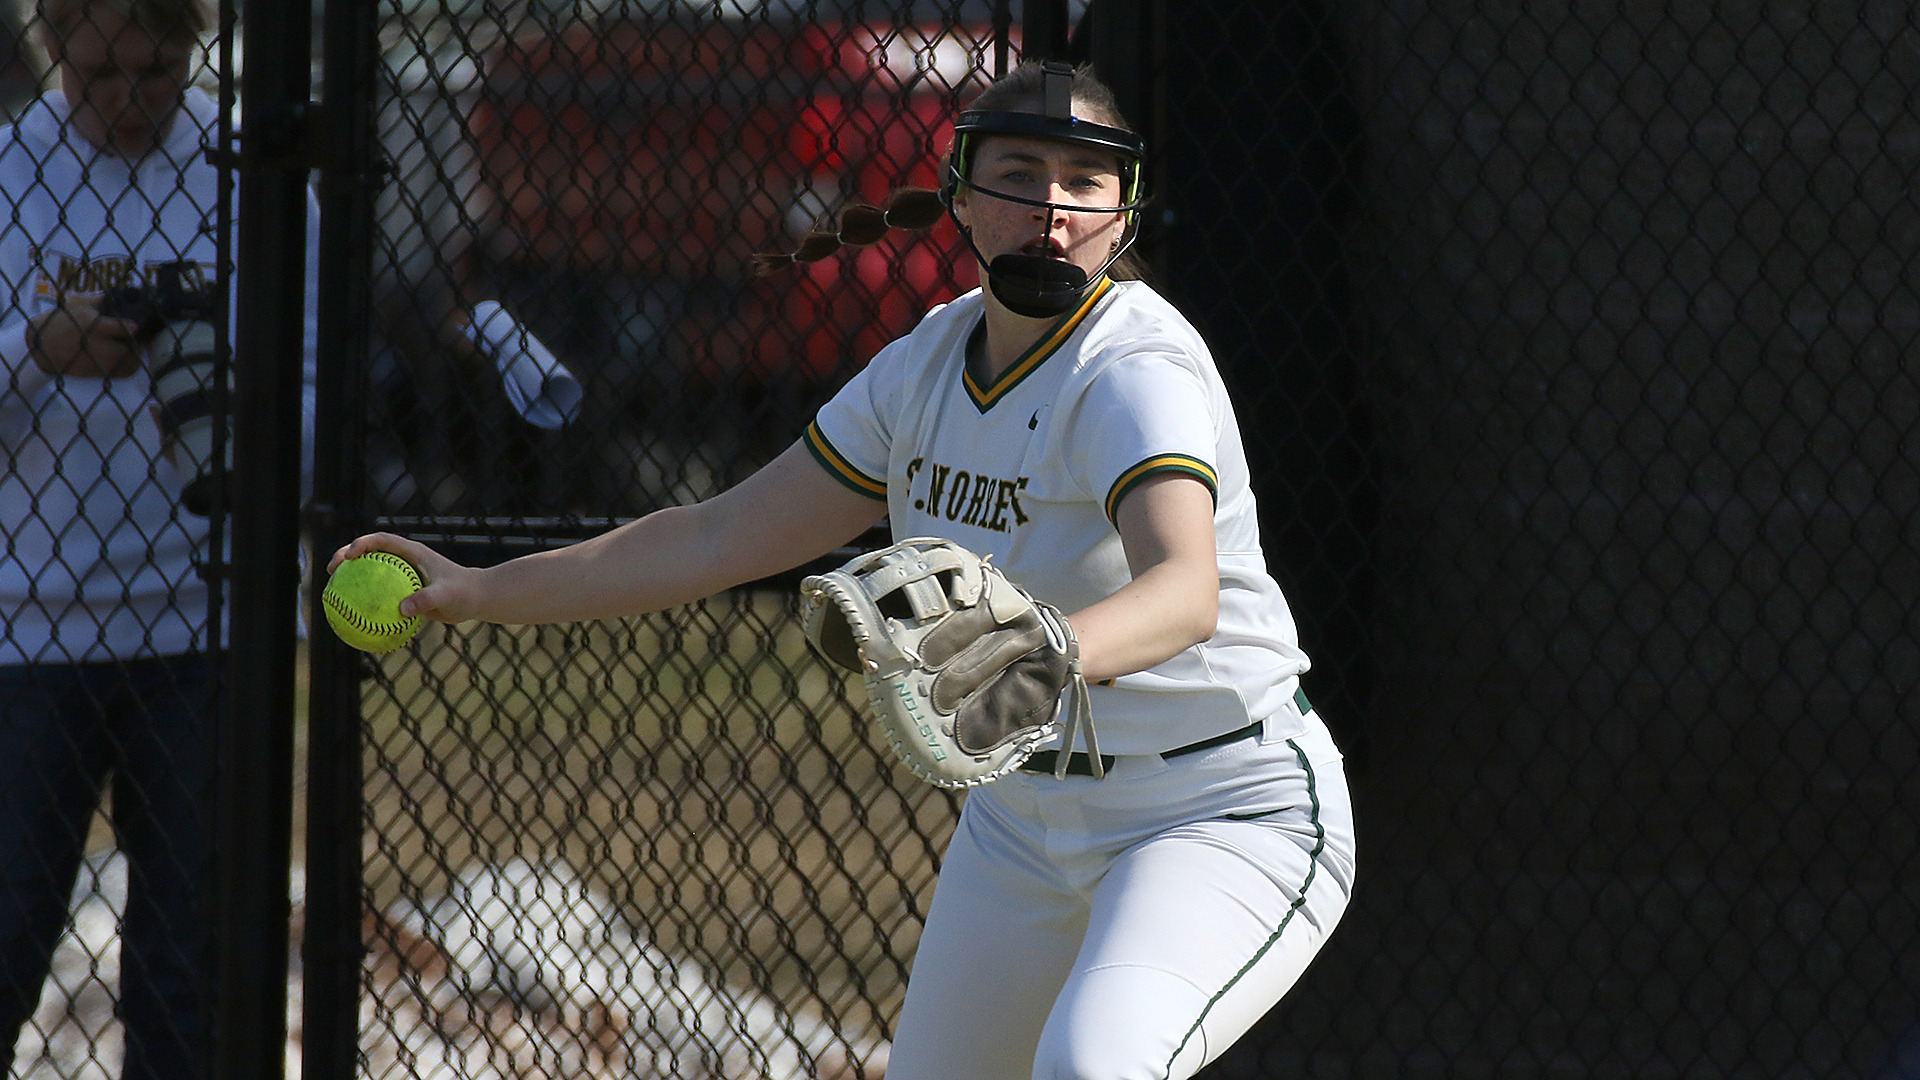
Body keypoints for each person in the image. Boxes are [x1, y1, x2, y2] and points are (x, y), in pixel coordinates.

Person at [332, 60, 1356, 1080]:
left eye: (1086, 182)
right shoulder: (923, 369)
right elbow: (713, 539)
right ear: (960, 195)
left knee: (1097, 1065)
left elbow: (1185, 591)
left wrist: (1043, 653)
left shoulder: (1132, 370)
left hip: (1219, 806)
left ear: (1124, 211)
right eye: (1021, 172)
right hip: (1025, 826)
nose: (1052, 205)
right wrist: (475, 586)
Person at [0, 1, 317, 1076]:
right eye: (97, 74)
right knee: (7, 942)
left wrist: (224, 387)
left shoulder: (252, 174)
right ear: (51, 46)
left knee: (192, 972)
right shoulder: (9, 173)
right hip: (24, 633)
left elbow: (321, 387)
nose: (129, 99)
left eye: (157, 68)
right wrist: (33, 348)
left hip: (204, 625)